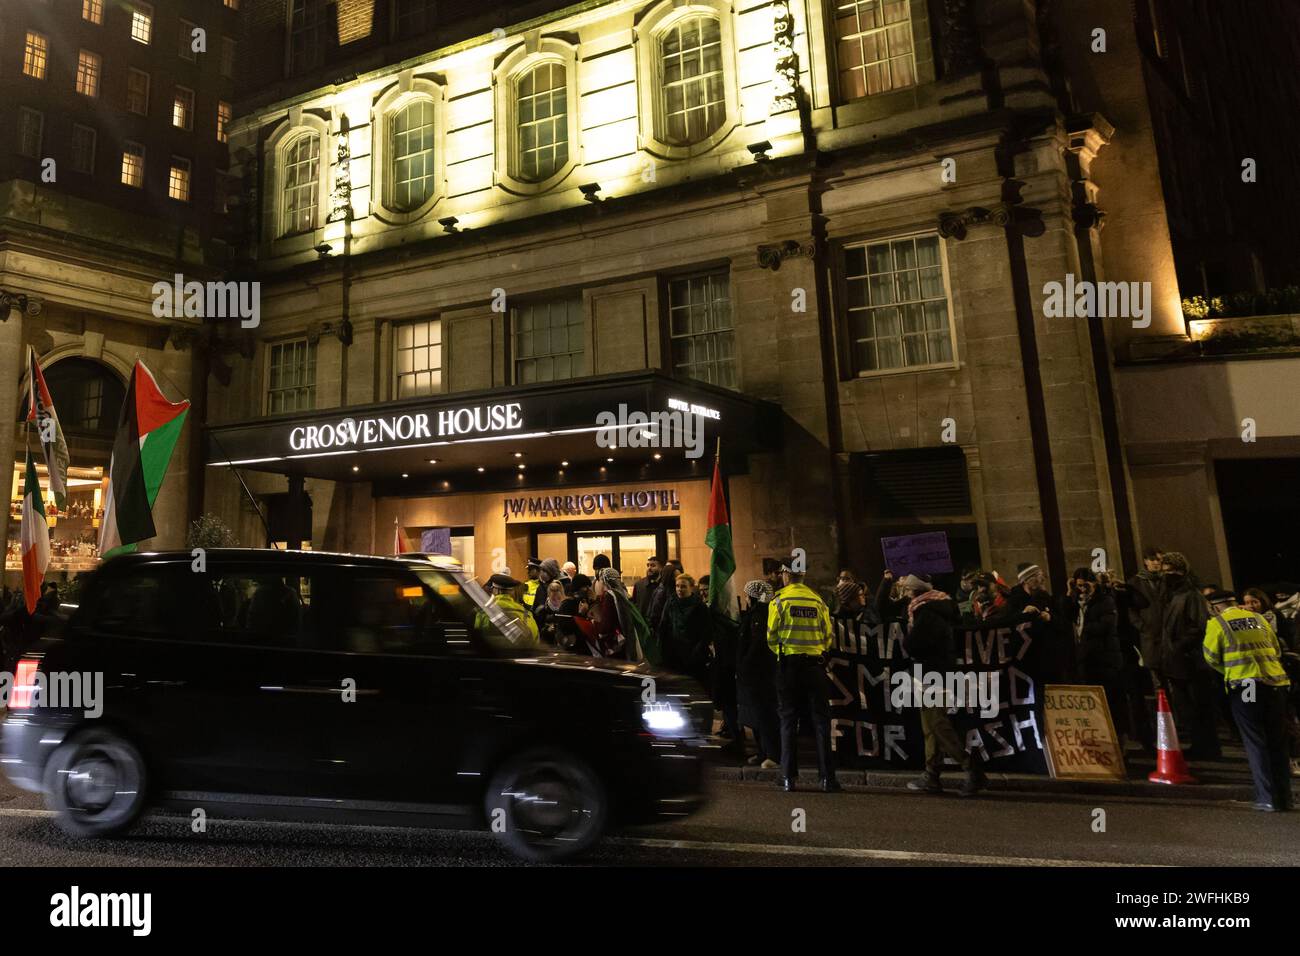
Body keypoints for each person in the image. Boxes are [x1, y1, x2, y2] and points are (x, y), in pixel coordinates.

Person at [880, 571, 985, 797]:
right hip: (933, 672)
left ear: (915, 592)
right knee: (930, 726)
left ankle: (971, 768)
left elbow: (913, 643)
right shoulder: (936, 607)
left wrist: (908, 643)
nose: (905, 594)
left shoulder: (926, 612)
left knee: (937, 723)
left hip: (932, 673)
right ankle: (931, 775)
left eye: (907, 590)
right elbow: (882, 608)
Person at [1202, 590, 1293, 811]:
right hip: (1275, 684)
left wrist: (1229, 671)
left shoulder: (1217, 623)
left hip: (1247, 687)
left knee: (1255, 740)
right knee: (1277, 742)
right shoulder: (1259, 618)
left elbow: (1211, 656)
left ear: (1215, 607)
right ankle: (1285, 798)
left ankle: (1267, 797)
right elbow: (1276, 649)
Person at [766, 563, 838, 793]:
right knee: (821, 722)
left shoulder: (779, 601)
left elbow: (771, 635)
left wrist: (783, 653)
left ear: (786, 575)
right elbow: (828, 636)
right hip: (815, 667)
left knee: (788, 720)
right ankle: (827, 778)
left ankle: (788, 777)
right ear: (804, 576)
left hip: (789, 666)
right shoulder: (818, 601)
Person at [1158, 552, 1221, 760]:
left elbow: (1197, 626)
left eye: (1171, 571)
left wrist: (1178, 646)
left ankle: (1208, 747)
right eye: (1164, 571)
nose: (1167, 575)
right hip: (1178, 661)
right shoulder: (1171, 595)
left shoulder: (1191, 595)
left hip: (1191, 661)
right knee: (1188, 708)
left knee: (1199, 706)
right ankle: (1199, 744)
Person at [1064, 569, 1128, 748]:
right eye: (1079, 586)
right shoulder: (1077, 603)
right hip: (1085, 660)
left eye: (1086, 585)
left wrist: (1084, 629)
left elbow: (1107, 625)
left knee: (1112, 702)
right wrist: (1070, 594)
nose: (1083, 589)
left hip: (1105, 658)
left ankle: (1119, 744)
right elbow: (1065, 615)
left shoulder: (1105, 600)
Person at [736, 580, 780, 770]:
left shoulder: (762, 615)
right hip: (752, 673)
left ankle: (773, 754)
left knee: (764, 715)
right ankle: (762, 751)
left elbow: (758, 645)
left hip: (760, 674)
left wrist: (745, 665)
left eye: (748, 595)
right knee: (755, 715)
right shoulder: (755, 614)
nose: (745, 598)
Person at [658, 573, 712, 688]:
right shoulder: (671, 602)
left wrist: (696, 652)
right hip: (673, 654)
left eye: (683, 586)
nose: (679, 589)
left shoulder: (699, 606)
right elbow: (664, 625)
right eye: (677, 586)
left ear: (691, 587)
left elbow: (705, 632)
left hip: (692, 655)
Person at [475, 573, 539, 647]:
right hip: (520, 655)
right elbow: (535, 641)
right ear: (511, 592)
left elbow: (477, 641)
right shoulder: (526, 614)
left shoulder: (483, 613)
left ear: (497, 591)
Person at [534, 580, 567, 646]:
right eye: (552, 590)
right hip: (547, 644)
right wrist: (547, 629)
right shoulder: (542, 610)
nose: (554, 593)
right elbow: (537, 629)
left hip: (563, 643)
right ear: (549, 592)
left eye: (557, 590)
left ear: (561, 591)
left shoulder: (566, 607)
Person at [648, 562, 678, 632]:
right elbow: (655, 614)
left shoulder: (666, 589)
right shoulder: (662, 592)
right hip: (664, 630)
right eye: (676, 576)